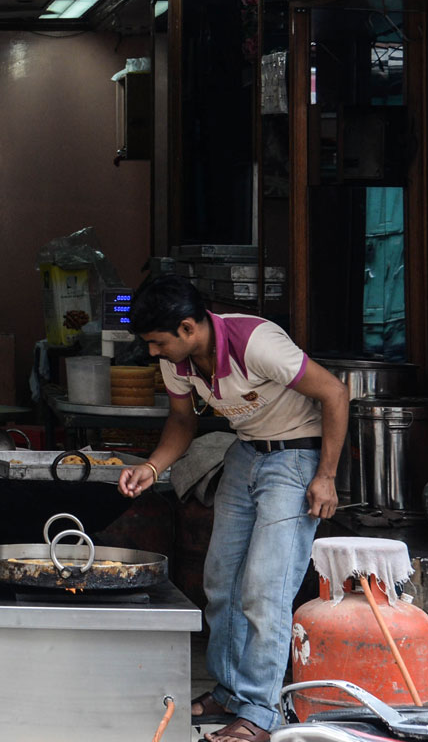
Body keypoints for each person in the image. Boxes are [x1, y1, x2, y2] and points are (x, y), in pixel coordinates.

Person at [118, 277, 349, 742]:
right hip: (245, 453)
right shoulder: (178, 362)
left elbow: (334, 393)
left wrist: (325, 476)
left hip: (295, 458)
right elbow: (182, 420)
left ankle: (260, 712)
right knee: (221, 580)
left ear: (188, 328)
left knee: (266, 589)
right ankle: (229, 692)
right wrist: (152, 466)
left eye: (158, 342)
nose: (153, 352)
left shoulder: (256, 343)